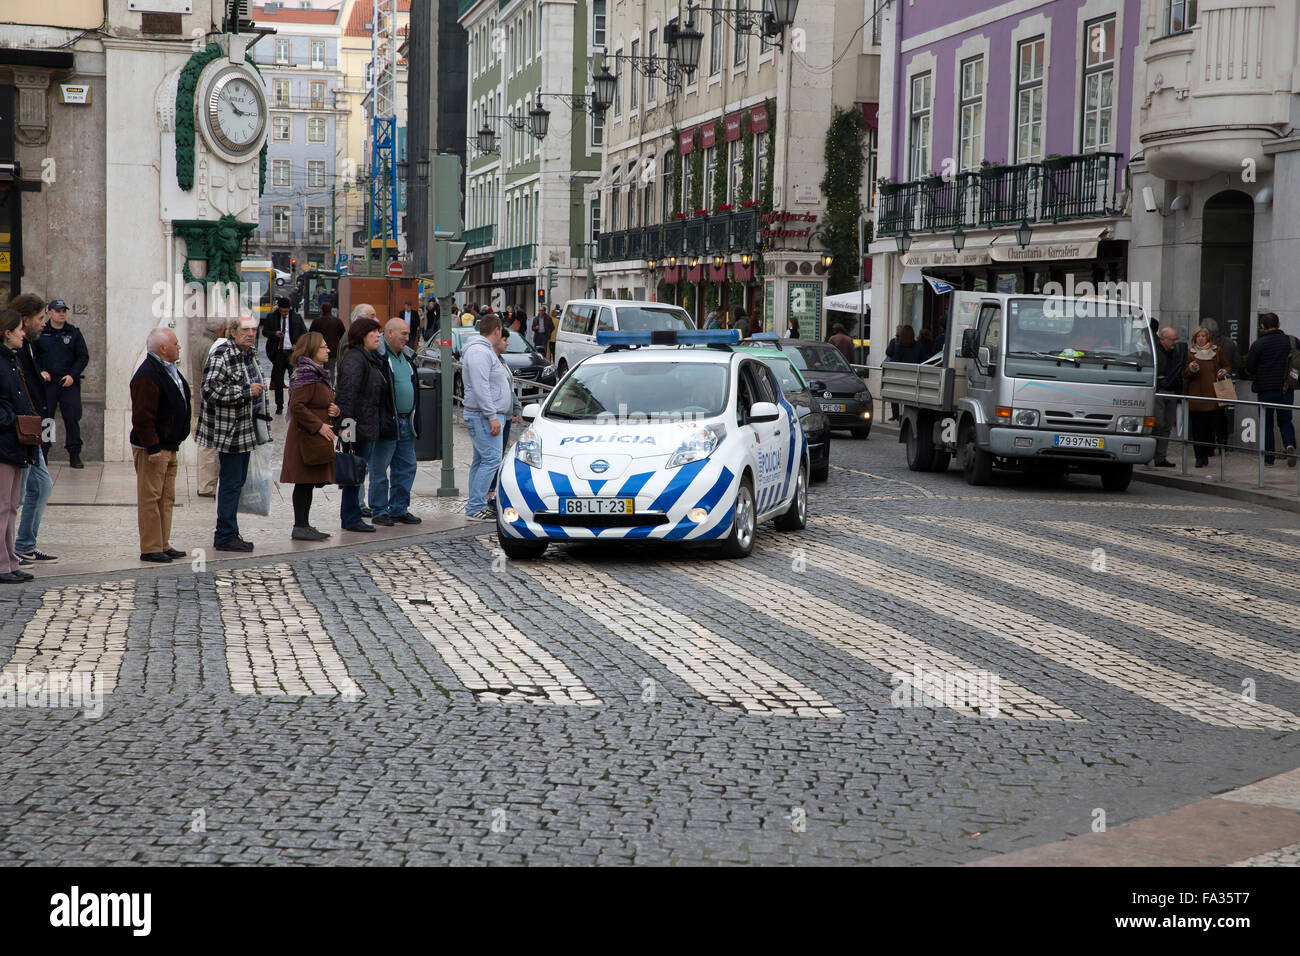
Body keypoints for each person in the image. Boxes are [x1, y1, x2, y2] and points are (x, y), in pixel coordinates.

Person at [197, 314, 266, 552]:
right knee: (230, 483)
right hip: (230, 431)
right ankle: (225, 534)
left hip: (246, 430)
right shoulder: (222, 353)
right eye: (246, 329)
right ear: (233, 331)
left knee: (236, 482)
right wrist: (246, 391)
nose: (251, 333)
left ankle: (230, 530)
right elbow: (209, 390)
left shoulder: (250, 354)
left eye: (254, 330)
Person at [129, 327, 191, 563]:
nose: (179, 347)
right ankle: (151, 547)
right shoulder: (148, 374)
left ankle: (163, 543)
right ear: (163, 348)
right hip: (153, 448)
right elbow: (142, 416)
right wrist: (153, 447)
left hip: (169, 445)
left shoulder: (169, 369)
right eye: (176, 343)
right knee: (150, 498)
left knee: (166, 498)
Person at [7, 294, 56, 565]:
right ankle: (12, 549)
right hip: (20, 429)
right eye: (40, 318)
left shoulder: (28, 346)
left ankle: (24, 544)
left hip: (31, 427)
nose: (44, 323)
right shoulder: (14, 350)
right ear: (24, 320)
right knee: (18, 494)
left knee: (38, 487)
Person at [334, 315, 394, 533]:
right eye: (374, 332)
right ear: (362, 335)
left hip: (366, 426)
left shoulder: (367, 358)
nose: (378, 335)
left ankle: (352, 516)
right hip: (356, 428)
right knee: (353, 472)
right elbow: (347, 395)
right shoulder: (355, 359)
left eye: (379, 331)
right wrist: (346, 428)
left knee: (357, 472)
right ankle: (350, 518)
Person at [280, 332, 338, 541]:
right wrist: (319, 425)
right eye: (323, 347)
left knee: (309, 482)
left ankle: (304, 524)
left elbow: (321, 400)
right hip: (305, 437)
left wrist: (333, 410)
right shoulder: (305, 374)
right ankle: (300, 526)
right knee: (304, 482)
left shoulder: (317, 373)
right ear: (312, 349)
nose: (328, 350)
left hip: (313, 436)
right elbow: (297, 406)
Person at [461, 313, 512, 520]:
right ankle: (475, 506)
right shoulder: (480, 352)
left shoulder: (482, 350)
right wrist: (492, 416)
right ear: (497, 330)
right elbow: (481, 386)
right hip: (484, 416)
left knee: (481, 460)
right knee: (491, 459)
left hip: (484, 415)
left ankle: (475, 504)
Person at [372, 317, 422, 526]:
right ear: (389, 333)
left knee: (407, 467)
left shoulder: (407, 357)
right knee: (379, 469)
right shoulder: (379, 357)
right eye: (404, 334)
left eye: (409, 334)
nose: (407, 338)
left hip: (406, 422)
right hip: (387, 422)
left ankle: (399, 508)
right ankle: (379, 510)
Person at [0, 310, 38, 582]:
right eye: (19, 330)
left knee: (12, 505)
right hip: (4, 441)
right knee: (2, 506)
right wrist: (11, 419)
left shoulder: (12, 360)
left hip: (15, 443)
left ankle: (10, 560)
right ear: (7, 332)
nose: (24, 334)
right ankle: (1, 564)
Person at [34, 298, 88, 468]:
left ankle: (74, 453)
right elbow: (31, 356)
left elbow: (82, 356)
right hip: (47, 384)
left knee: (72, 418)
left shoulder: (73, 333)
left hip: (68, 383)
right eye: (58, 311)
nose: (61, 314)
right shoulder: (41, 333)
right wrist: (40, 371)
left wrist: (73, 375)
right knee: (46, 419)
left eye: (64, 311)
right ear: (49, 313)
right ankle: (44, 452)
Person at [1245, 311, 1297, 466]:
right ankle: (1290, 445)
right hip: (1285, 389)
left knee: (1266, 424)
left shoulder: (1258, 344)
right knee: (1285, 420)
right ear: (1279, 324)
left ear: (1262, 326)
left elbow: (1249, 368)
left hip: (1265, 390)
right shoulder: (1291, 341)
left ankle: (1268, 458)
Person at [195, 322, 236, 497]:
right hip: (207, 405)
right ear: (221, 329)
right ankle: (206, 486)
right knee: (208, 448)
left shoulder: (201, 342)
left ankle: (206, 484)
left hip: (201, 402)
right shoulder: (213, 347)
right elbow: (213, 379)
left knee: (207, 448)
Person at [1181, 325, 1231, 470]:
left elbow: (1227, 366)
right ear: (1195, 338)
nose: (1201, 339)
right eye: (1199, 336)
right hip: (1196, 396)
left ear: (1208, 337)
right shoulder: (1190, 353)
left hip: (1213, 396)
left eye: (1203, 336)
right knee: (1197, 429)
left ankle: (1208, 452)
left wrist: (1223, 371)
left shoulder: (1217, 351)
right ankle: (1199, 457)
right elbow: (1184, 375)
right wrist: (1191, 369)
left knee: (1210, 428)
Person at [486, 327, 523, 512]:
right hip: (499, 414)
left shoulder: (502, 360)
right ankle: (489, 494)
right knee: (493, 456)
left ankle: (492, 493)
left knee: (499, 455)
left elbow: (508, 388)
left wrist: (515, 406)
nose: (507, 343)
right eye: (505, 340)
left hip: (506, 414)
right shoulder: (492, 360)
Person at [261, 296, 306, 415]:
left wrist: (298, 344)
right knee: (278, 380)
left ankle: (293, 404)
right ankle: (279, 406)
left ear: (290, 309)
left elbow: (304, 333)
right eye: (282, 311)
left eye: (286, 311)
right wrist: (274, 334)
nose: (284, 313)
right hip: (278, 353)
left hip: (292, 354)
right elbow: (264, 332)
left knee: (294, 380)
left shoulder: (296, 317)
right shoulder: (272, 317)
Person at [1152, 326, 1185, 468]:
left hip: (1171, 392)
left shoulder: (1176, 352)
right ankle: (1150, 454)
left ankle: (1160, 457)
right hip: (1159, 392)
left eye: (1176, 339)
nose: (1174, 342)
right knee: (1157, 424)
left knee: (1167, 426)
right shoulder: (1155, 352)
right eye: (1172, 340)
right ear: (1163, 339)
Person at [885, 325, 925, 422]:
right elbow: (924, 359)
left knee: (894, 395)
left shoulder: (899, 346)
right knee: (911, 399)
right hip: (914, 376)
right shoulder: (918, 345)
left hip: (901, 377)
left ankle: (896, 415)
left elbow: (894, 360)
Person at [309, 302, 345, 373]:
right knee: (330, 371)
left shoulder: (316, 321)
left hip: (318, 350)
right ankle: (328, 384)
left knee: (317, 370)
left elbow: (311, 335)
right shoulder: (338, 321)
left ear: (322, 310)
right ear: (331, 310)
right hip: (333, 350)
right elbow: (343, 335)